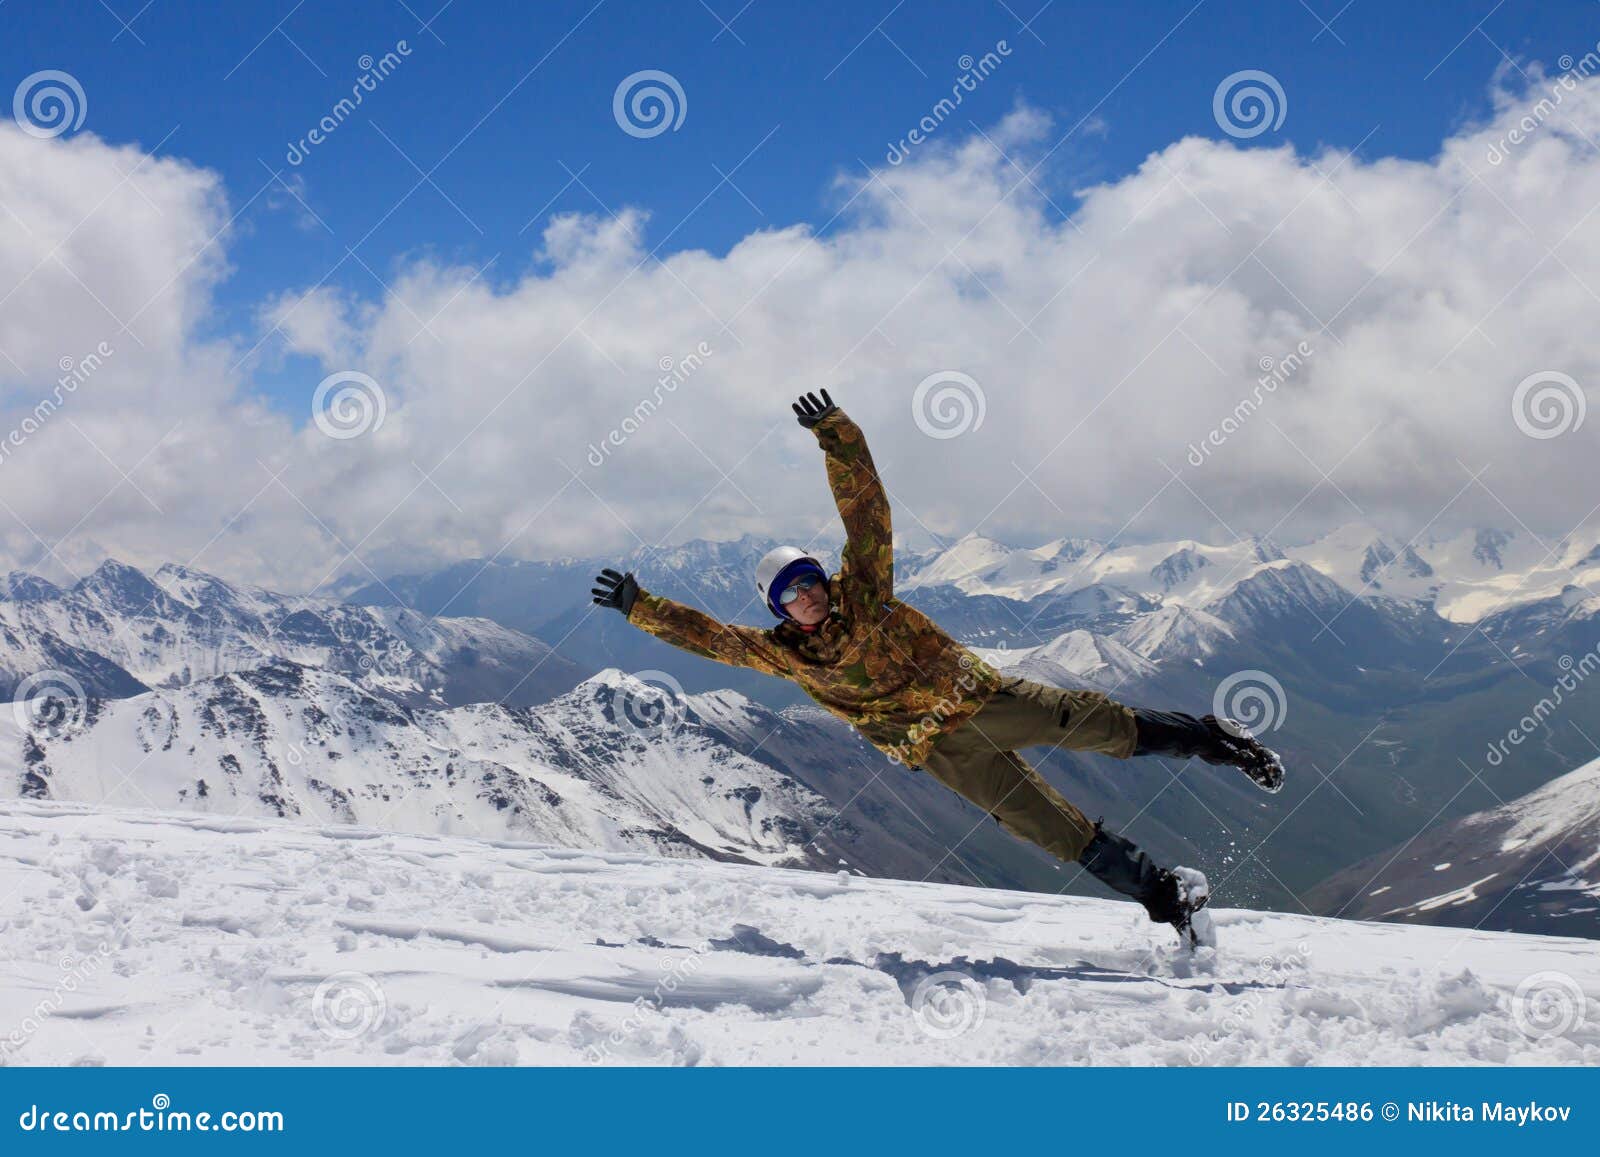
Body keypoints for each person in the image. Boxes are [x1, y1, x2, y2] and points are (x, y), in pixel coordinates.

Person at [591, 389, 1285, 948]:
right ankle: (1172, 898)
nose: (807, 597)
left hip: (980, 697)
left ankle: (1219, 741)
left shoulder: (865, 593)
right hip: (940, 750)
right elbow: (710, 637)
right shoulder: (784, 654)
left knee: (1100, 726)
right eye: (791, 596)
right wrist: (640, 608)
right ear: (780, 611)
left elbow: (868, 516)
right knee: (1053, 830)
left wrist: (838, 434)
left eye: (809, 581)